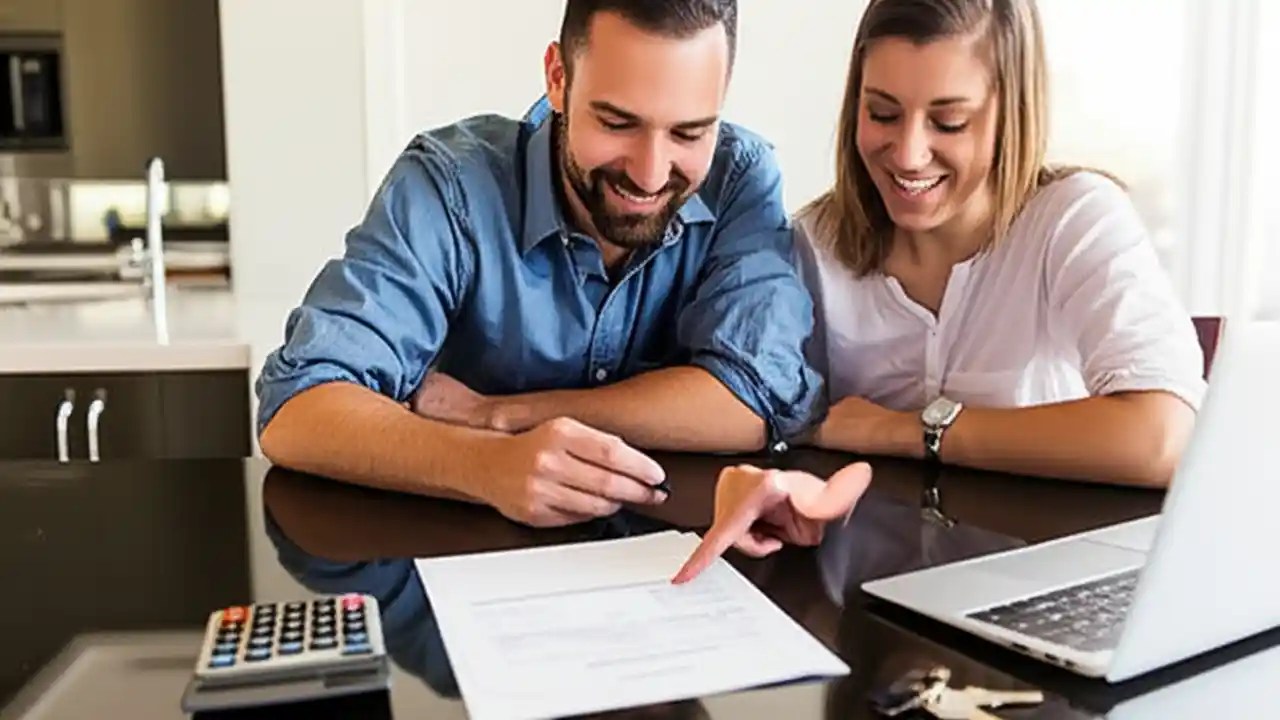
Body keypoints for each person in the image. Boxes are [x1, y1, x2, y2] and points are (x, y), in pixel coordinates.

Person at [672, 0, 1207, 582]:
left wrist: (906, 430)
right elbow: (771, 426)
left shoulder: (1074, 220)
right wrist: (766, 480)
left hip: (1042, 593)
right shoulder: (809, 246)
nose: (907, 154)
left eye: (949, 122)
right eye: (882, 114)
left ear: (1013, 112)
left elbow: (1165, 439)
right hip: (870, 604)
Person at [255, 0, 824, 529]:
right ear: (557, 78)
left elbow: (753, 400)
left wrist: (502, 415)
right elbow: (299, 407)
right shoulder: (451, 186)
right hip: (461, 560)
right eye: (617, 123)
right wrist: (486, 467)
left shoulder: (740, 179)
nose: (651, 174)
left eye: (688, 133)